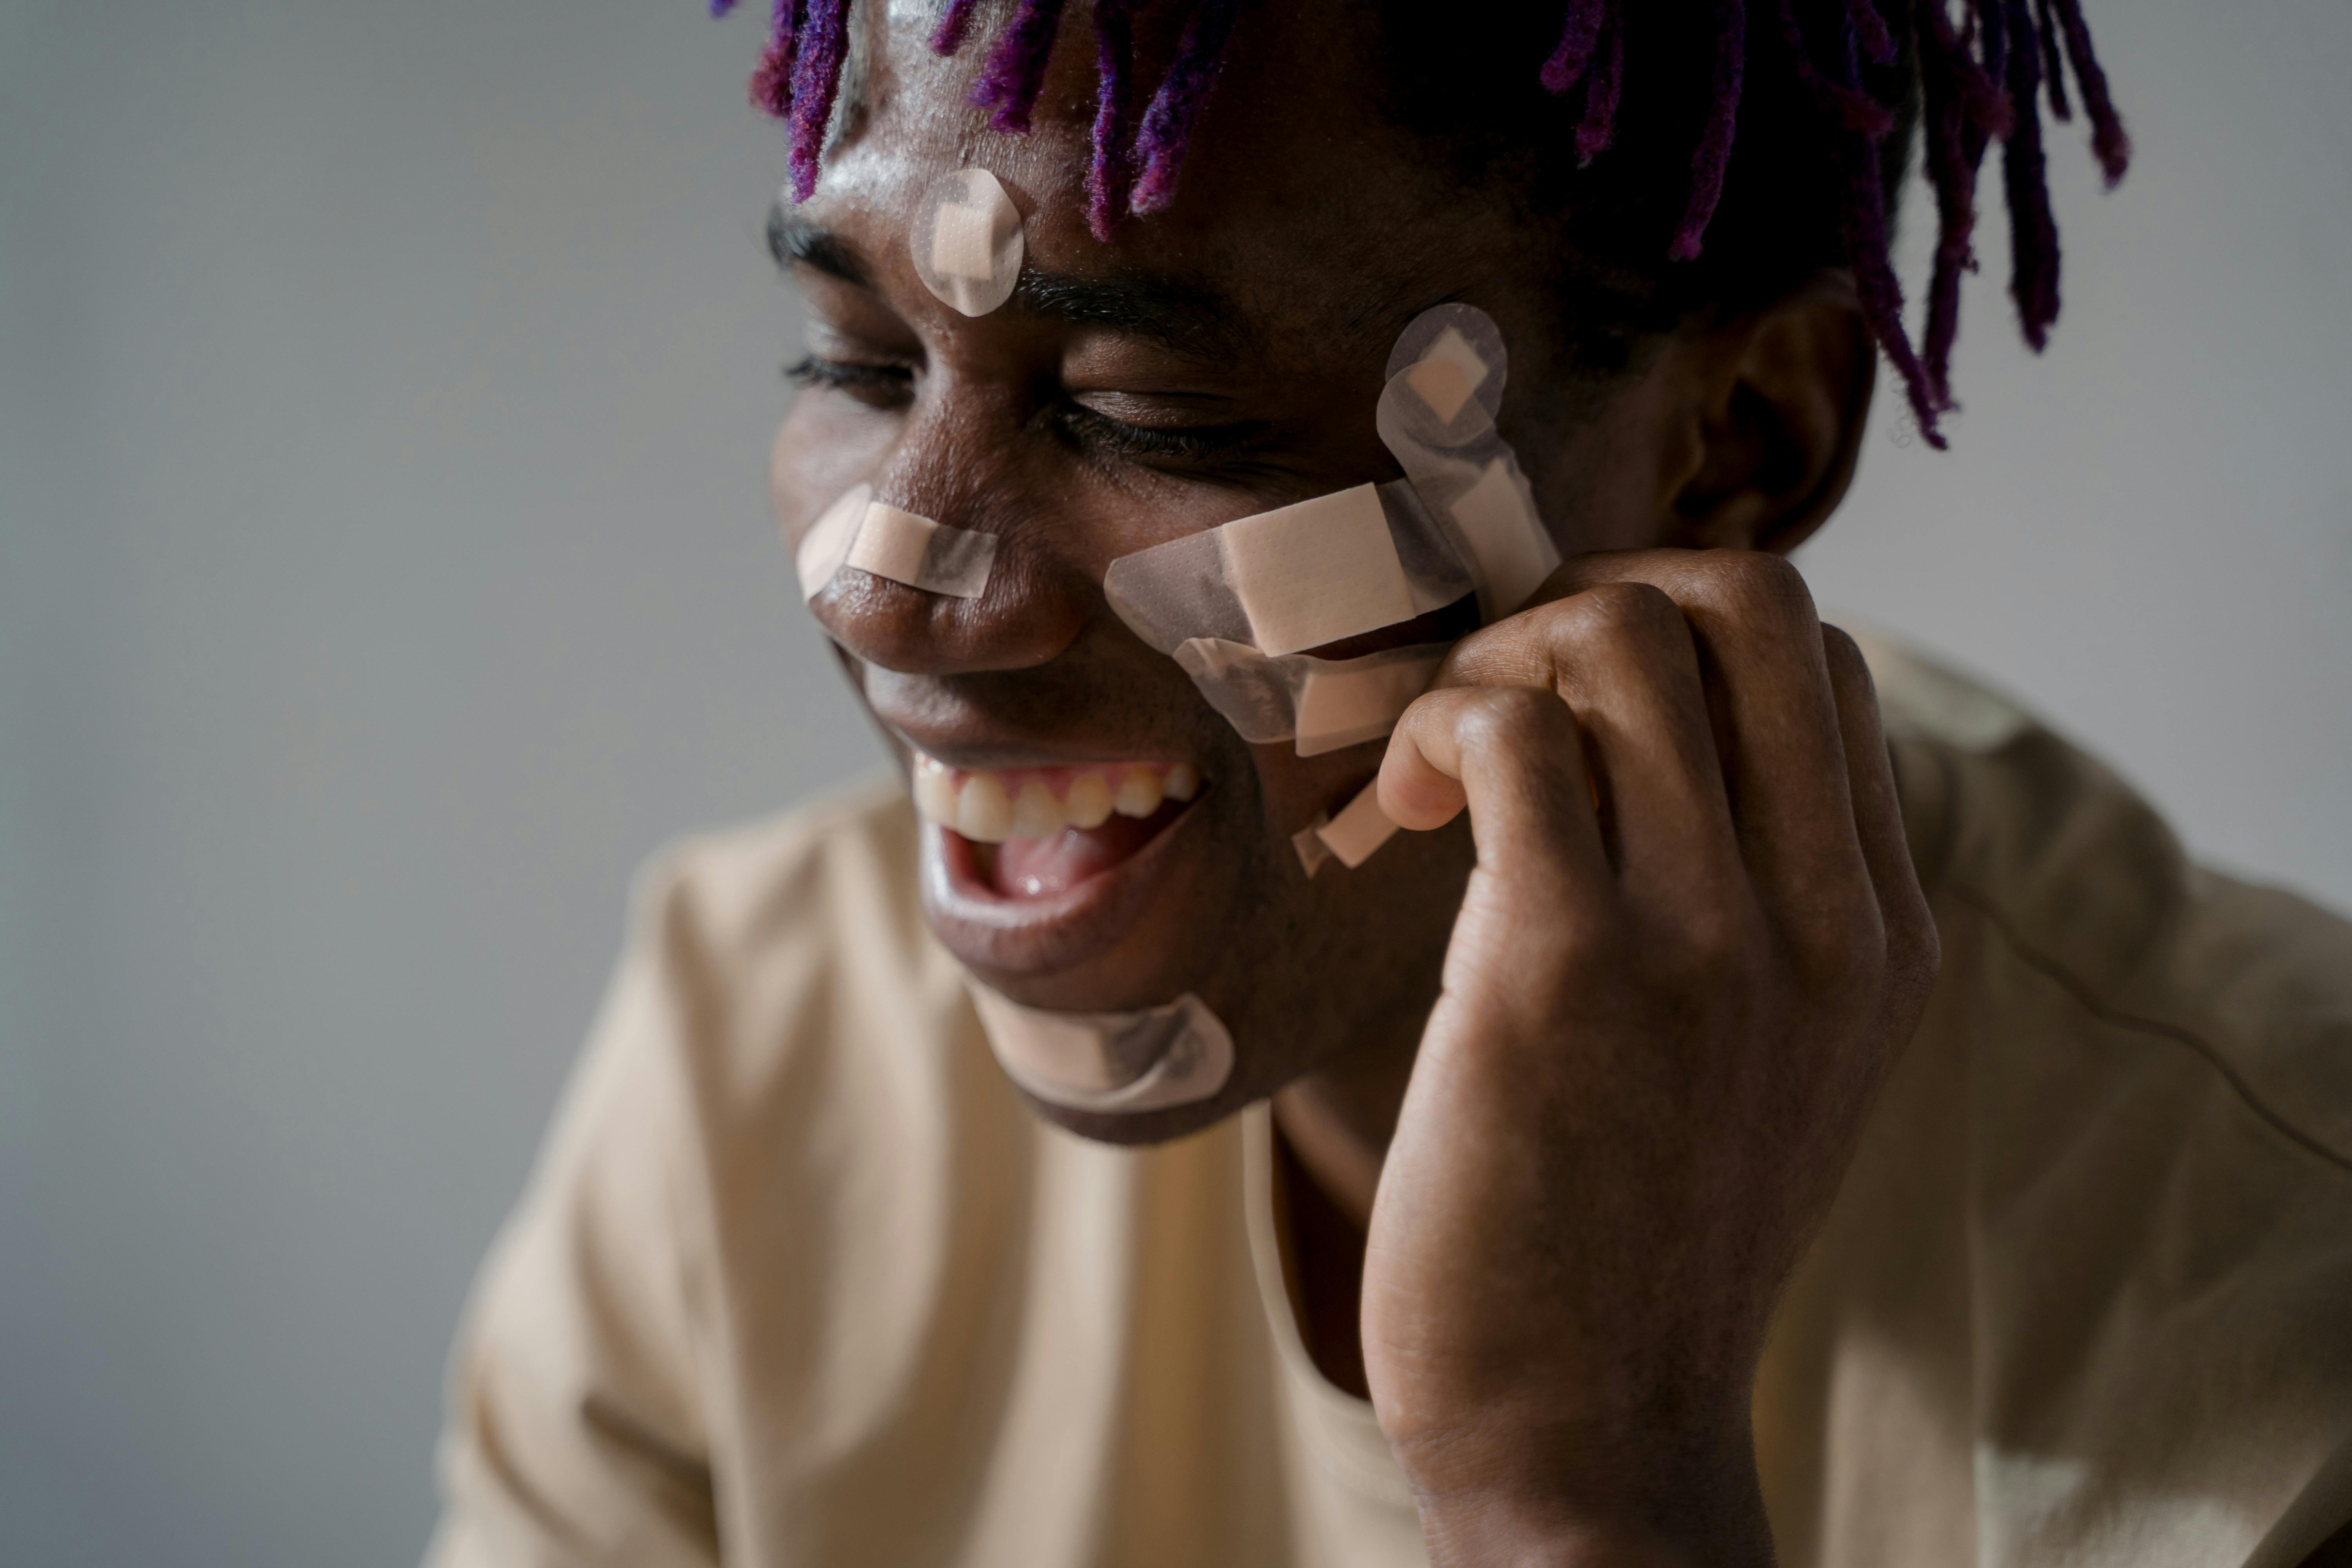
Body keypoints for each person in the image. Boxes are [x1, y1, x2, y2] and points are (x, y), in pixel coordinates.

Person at [423, 2, 2352, 1564]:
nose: (888, 588)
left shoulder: (2276, 1286)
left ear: (1736, 445)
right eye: (852, 362)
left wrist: (1580, 1497)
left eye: (1145, 412)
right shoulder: (758, 1039)